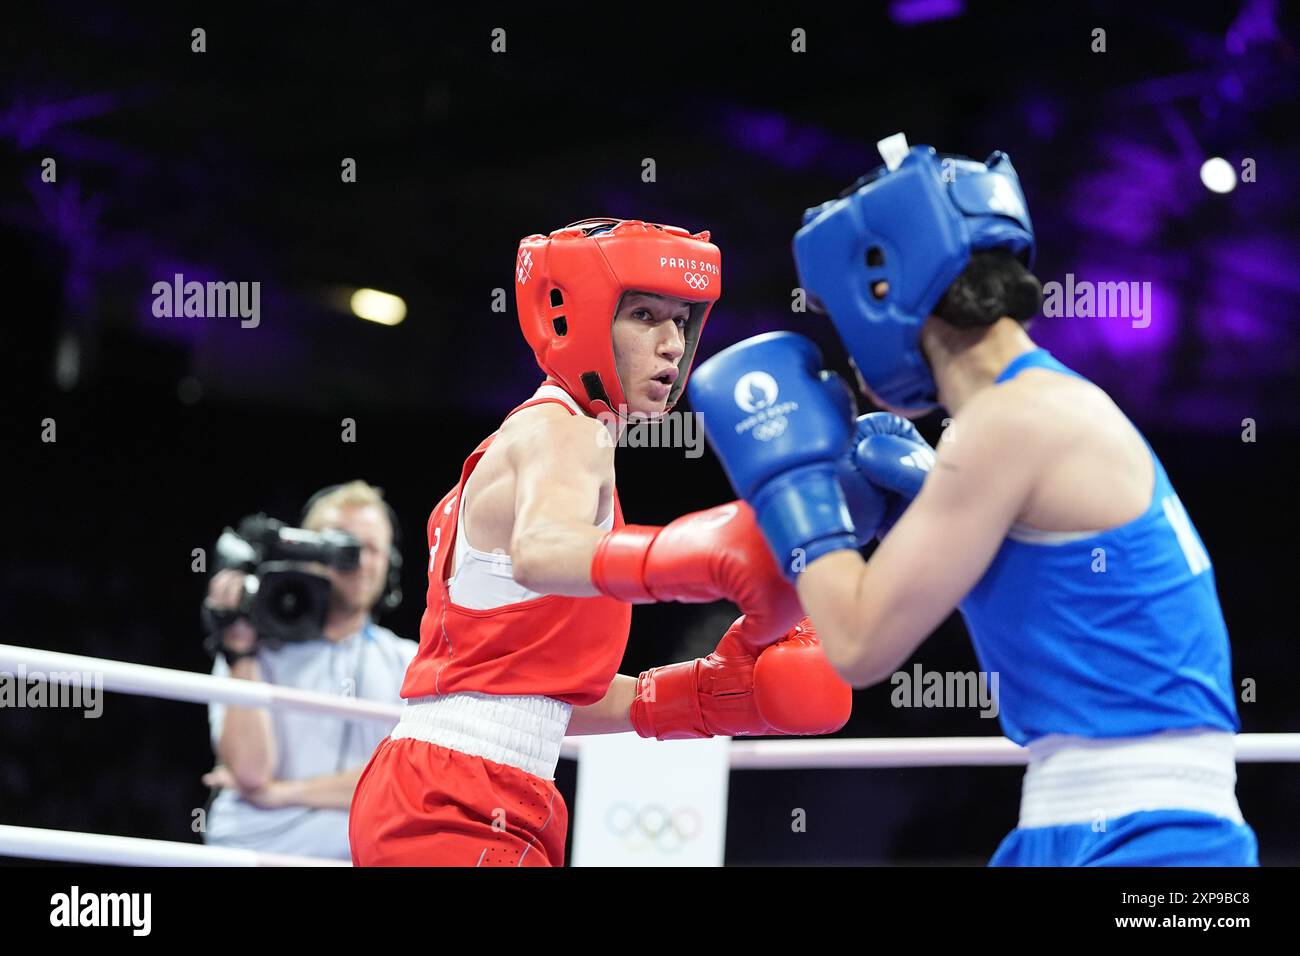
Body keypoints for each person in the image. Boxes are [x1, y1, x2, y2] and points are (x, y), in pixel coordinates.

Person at [688, 137, 1257, 866]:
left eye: (840, 315)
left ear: (882, 287)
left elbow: (858, 644)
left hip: (1155, 842)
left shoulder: (1009, 424)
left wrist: (788, 482)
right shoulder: (1034, 410)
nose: (847, 347)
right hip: (1080, 818)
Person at [349, 218, 851, 867]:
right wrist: (697, 557)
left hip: (460, 783)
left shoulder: (556, 439)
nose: (672, 344)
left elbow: (530, 697)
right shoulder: (567, 435)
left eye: (681, 320)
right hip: (458, 794)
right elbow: (539, 552)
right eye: (644, 315)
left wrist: (695, 698)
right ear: (577, 316)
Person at [202, 480, 417, 860]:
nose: (359, 562)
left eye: (372, 549)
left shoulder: (410, 663)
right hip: (250, 852)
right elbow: (251, 774)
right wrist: (240, 651)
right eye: (345, 546)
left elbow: (403, 783)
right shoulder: (252, 651)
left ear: (390, 564)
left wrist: (281, 794)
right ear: (309, 551)